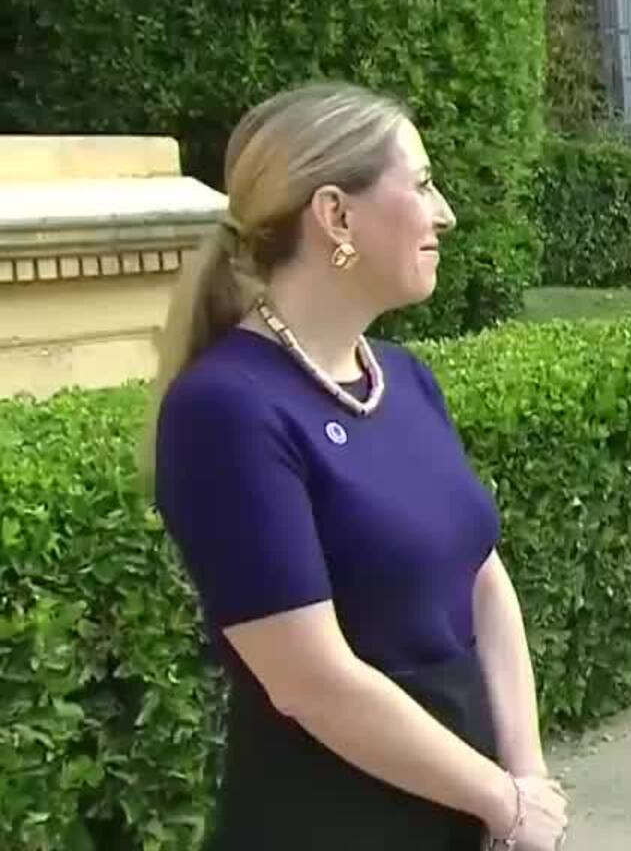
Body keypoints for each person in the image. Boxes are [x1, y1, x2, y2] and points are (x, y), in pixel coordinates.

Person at [148, 83, 568, 849]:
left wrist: (525, 777)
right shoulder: (227, 410)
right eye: (422, 184)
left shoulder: (403, 379)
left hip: (469, 811)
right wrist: (502, 801)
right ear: (336, 216)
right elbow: (310, 681)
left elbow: (481, 576)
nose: (445, 213)